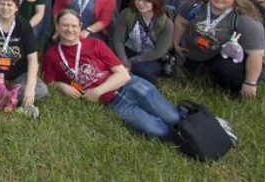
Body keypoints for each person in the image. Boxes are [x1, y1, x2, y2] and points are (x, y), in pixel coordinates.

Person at [44, 10, 181, 139]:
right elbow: (49, 80)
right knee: (158, 131)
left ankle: (188, 124)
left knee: (173, 117)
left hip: (130, 86)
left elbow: (123, 75)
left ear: (80, 27)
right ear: (57, 26)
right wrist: (62, 86)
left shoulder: (95, 44)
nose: (70, 30)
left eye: (74, 26)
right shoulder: (52, 55)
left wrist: (97, 91)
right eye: (65, 25)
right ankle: (183, 138)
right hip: (116, 103)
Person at [172, 0, 265, 99]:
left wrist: (250, 83)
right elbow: (181, 21)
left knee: (228, 72)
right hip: (198, 51)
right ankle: (202, 70)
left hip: (226, 56)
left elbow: (256, 55)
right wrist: (176, 43)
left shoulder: (245, 20)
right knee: (186, 73)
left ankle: (231, 90)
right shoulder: (196, 6)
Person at [110, 0, 173, 84]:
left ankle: (153, 82)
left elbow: (159, 52)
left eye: (146, 1)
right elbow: (118, 40)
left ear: (155, 3)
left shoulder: (166, 23)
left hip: (151, 57)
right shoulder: (127, 14)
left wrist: (133, 61)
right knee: (115, 63)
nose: (140, 3)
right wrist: (124, 60)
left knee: (138, 68)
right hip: (129, 50)